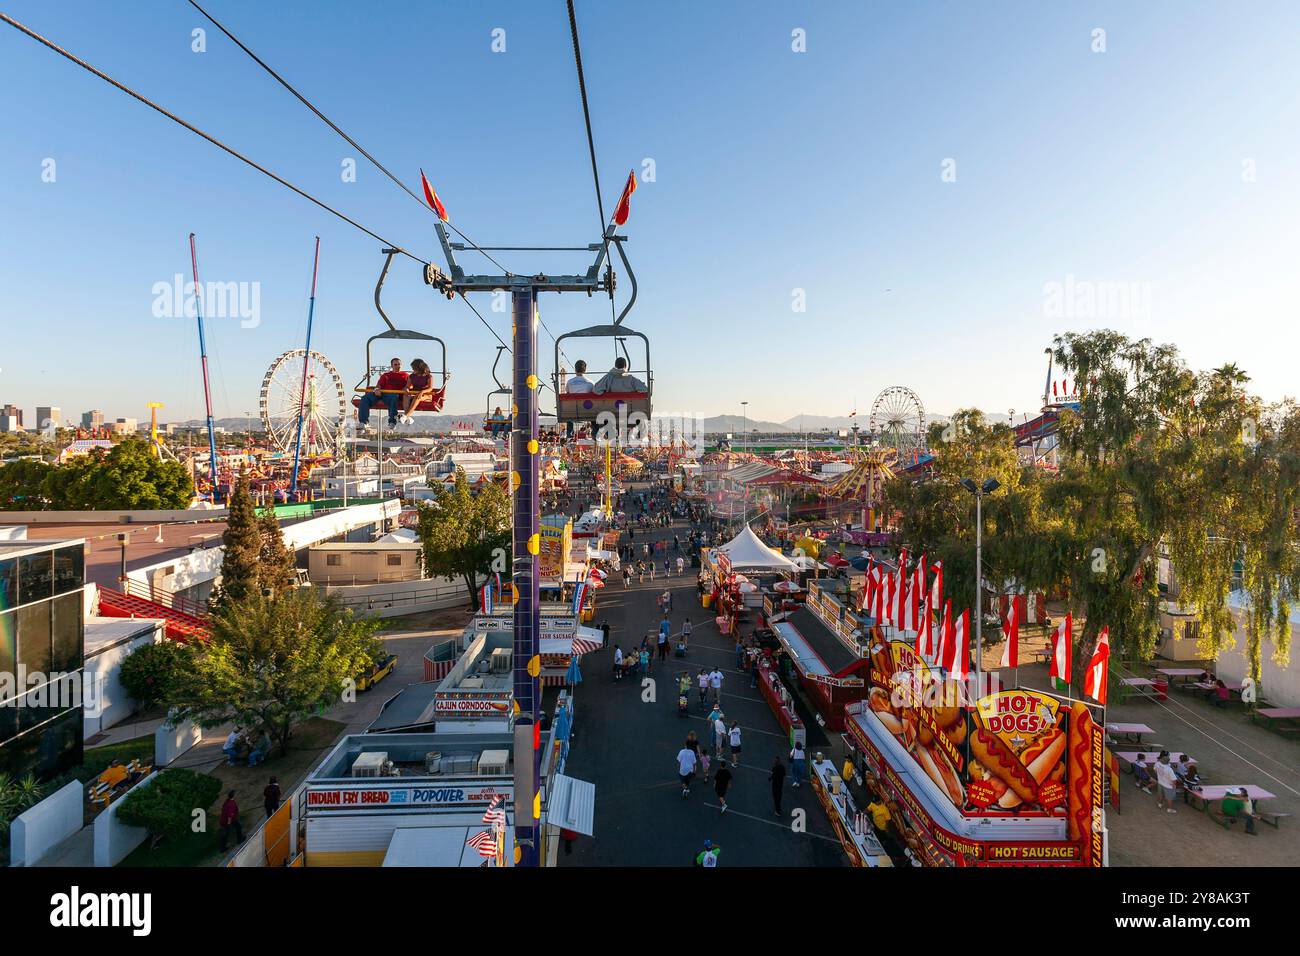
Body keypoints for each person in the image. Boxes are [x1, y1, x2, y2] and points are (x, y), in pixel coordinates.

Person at [357, 357, 408, 429]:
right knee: (365, 398)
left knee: (393, 397)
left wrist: (406, 388)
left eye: (399, 364)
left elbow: (409, 385)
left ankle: (392, 421)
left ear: (401, 365)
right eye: (395, 364)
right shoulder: (386, 375)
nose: (397, 366)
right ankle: (363, 422)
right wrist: (377, 389)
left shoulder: (405, 375)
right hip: (382, 393)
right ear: (392, 366)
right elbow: (379, 385)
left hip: (393, 395)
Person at [400, 358, 435, 424]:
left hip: (426, 394)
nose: (412, 369)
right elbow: (407, 386)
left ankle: (406, 416)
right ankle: (407, 416)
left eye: (413, 368)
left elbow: (430, 388)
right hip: (415, 393)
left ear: (419, 368)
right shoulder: (412, 376)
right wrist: (406, 389)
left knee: (417, 397)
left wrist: (422, 392)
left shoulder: (429, 376)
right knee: (406, 396)